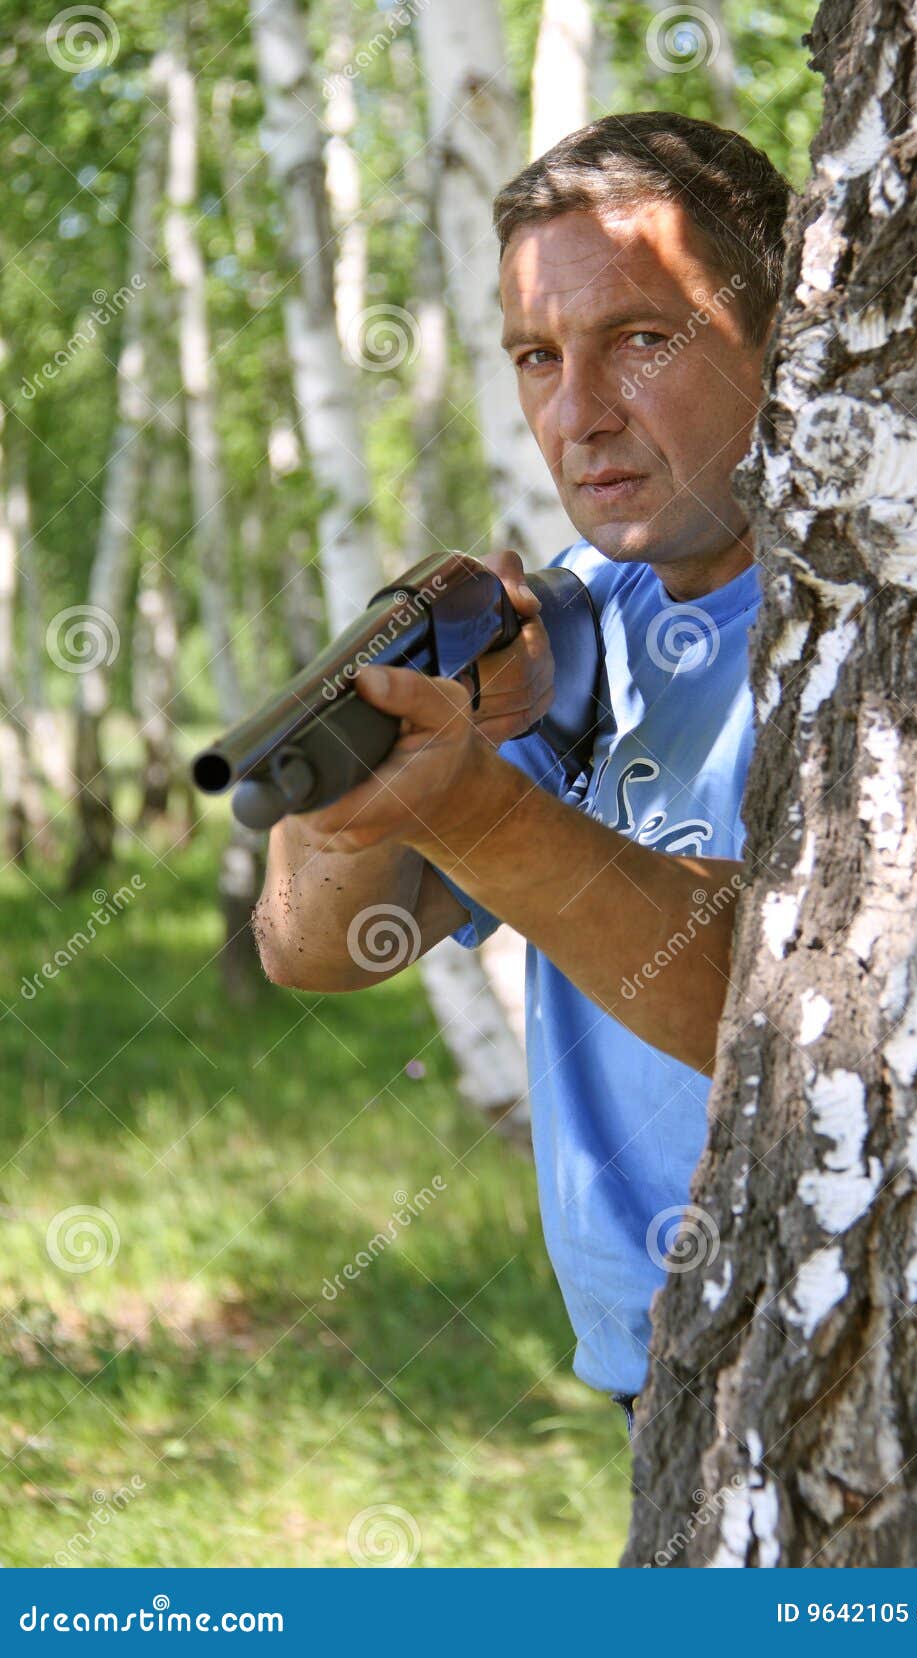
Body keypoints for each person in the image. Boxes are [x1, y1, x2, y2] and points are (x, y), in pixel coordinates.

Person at [254, 112, 792, 1423]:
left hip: (847, 1352)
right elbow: (319, 950)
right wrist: (362, 771)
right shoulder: (566, 629)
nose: (580, 413)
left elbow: (776, 1014)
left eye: (642, 340)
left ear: (788, 336)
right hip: (653, 1382)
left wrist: (472, 805)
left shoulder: (879, 628)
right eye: (537, 357)